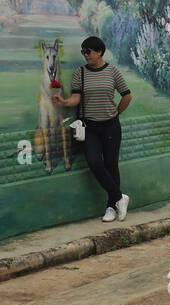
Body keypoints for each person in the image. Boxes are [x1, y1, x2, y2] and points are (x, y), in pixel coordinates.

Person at [52, 35, 133, 222]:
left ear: (99, 52)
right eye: (83, 52)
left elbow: (127, 96)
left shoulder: (113, 72)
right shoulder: (80, 73)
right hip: (90, 127)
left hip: (111, 125)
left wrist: (116, 113)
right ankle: (120, 197)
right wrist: (64, 102)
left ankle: (111, 208)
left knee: (111, 165)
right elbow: (76, 98)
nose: (85, 55)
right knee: (95, 162)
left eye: (88, 51)